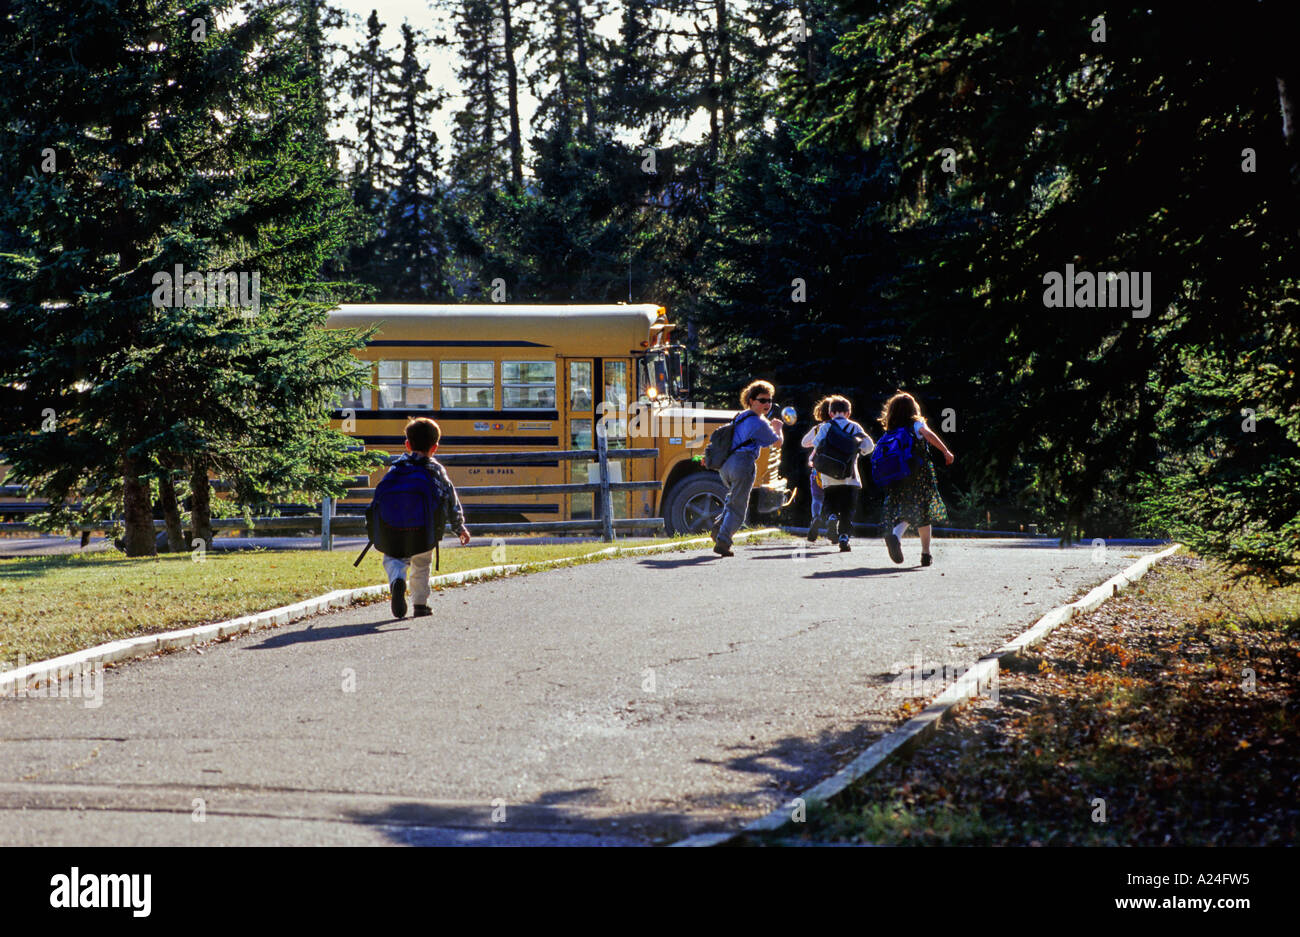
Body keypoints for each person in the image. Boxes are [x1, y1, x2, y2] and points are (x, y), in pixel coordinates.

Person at [378, 417, 471, 618]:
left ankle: (397, 580)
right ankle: (420, 604)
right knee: (421, 565)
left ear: (407, 444)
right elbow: (450, 499)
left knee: (394, 559)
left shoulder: (396, 467)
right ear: (435, 447)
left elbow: (380, 500)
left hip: (395, 530)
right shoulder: (436, 469)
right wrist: (459, 527)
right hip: (425, 531)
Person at [877, 392, 954, 567]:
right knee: (923, 512)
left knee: (910, 509)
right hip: (918, 475)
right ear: (913, 408)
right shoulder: (916, 424)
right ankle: (924, 553)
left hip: (897, 477)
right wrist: (945, 451)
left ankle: (897, 536)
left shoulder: (892, 429)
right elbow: (929, 435)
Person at [711, 379, 783, 557]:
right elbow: (777, 443)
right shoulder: (759, 422)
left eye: (769, 400)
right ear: (751, 400)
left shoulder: (740, 416)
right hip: (742, 464)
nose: (767, 404)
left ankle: (719, 528)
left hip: (725, 466)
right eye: (762, 400)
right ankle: (723, 541)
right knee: (739, 508)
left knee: (734, 499)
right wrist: (778, 428)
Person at [803, 395, 875, 551]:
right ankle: (844, 537)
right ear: (848, 412)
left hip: (829, 477)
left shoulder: (826, 426)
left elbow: (816, 443)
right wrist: (859, 450)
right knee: (848, 509)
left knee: (829, 503)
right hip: (851, 477)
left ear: (830, 413)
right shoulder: (855, 427)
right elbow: (869, 446)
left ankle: (831, 517)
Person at [804, 396, 831, 542]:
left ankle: (816, 517)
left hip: (818, 470)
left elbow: (803, 443)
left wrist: (813, 444)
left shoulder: (818, 428)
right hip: (838, 471)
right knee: (835, 499)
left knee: (817, 497)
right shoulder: (842, 426)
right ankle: (833, 522)